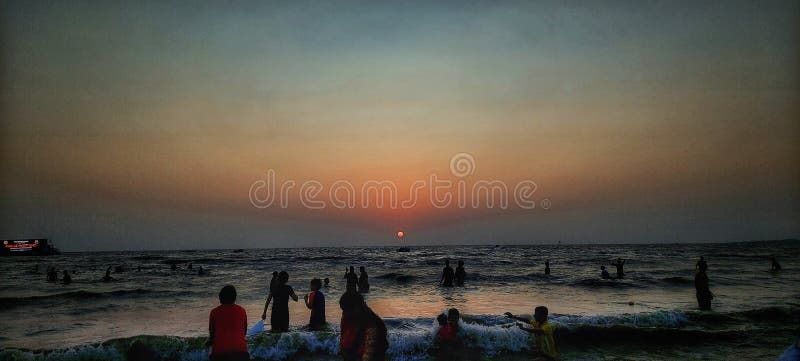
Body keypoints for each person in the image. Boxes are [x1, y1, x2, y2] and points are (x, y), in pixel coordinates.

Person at [339, 290, 388, 361]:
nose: (344, 313)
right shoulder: (349, 317)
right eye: (343, 310)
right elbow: (343, 341)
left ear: (357, 307)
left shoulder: (372, 324)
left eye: (346, 310)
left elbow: (370, 354)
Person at [206, 285, 249, 361]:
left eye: (220, 297)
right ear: (234, 298)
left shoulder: (214, 312)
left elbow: (212, 334)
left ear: (221, 297)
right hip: (242, 353)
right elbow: (244, 332)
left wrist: (208, 342)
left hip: (220, 354)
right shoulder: (242, 311)